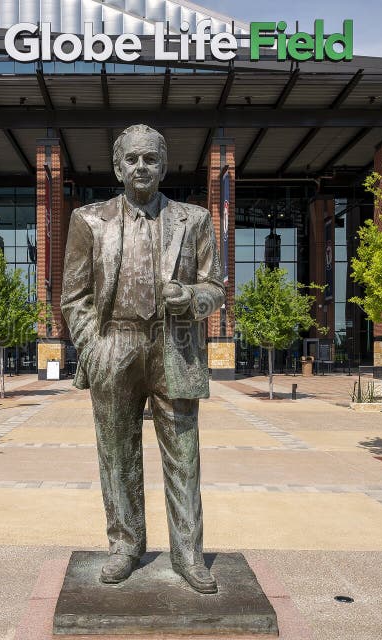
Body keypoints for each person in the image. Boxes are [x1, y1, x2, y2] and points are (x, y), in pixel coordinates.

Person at [61, 124, 225, 594]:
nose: (140, 167)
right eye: (131, 159)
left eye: (150, 159)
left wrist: (190, 298)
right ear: (117, 167)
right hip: (115, 342)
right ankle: (125, 546)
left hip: (174, 346)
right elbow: (74, 296)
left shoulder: (194, 219)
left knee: (184, 457)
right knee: (117, 455)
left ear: (163, 166)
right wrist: (94, 349)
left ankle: (188, 554)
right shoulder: (88, 220)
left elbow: (216, 287)